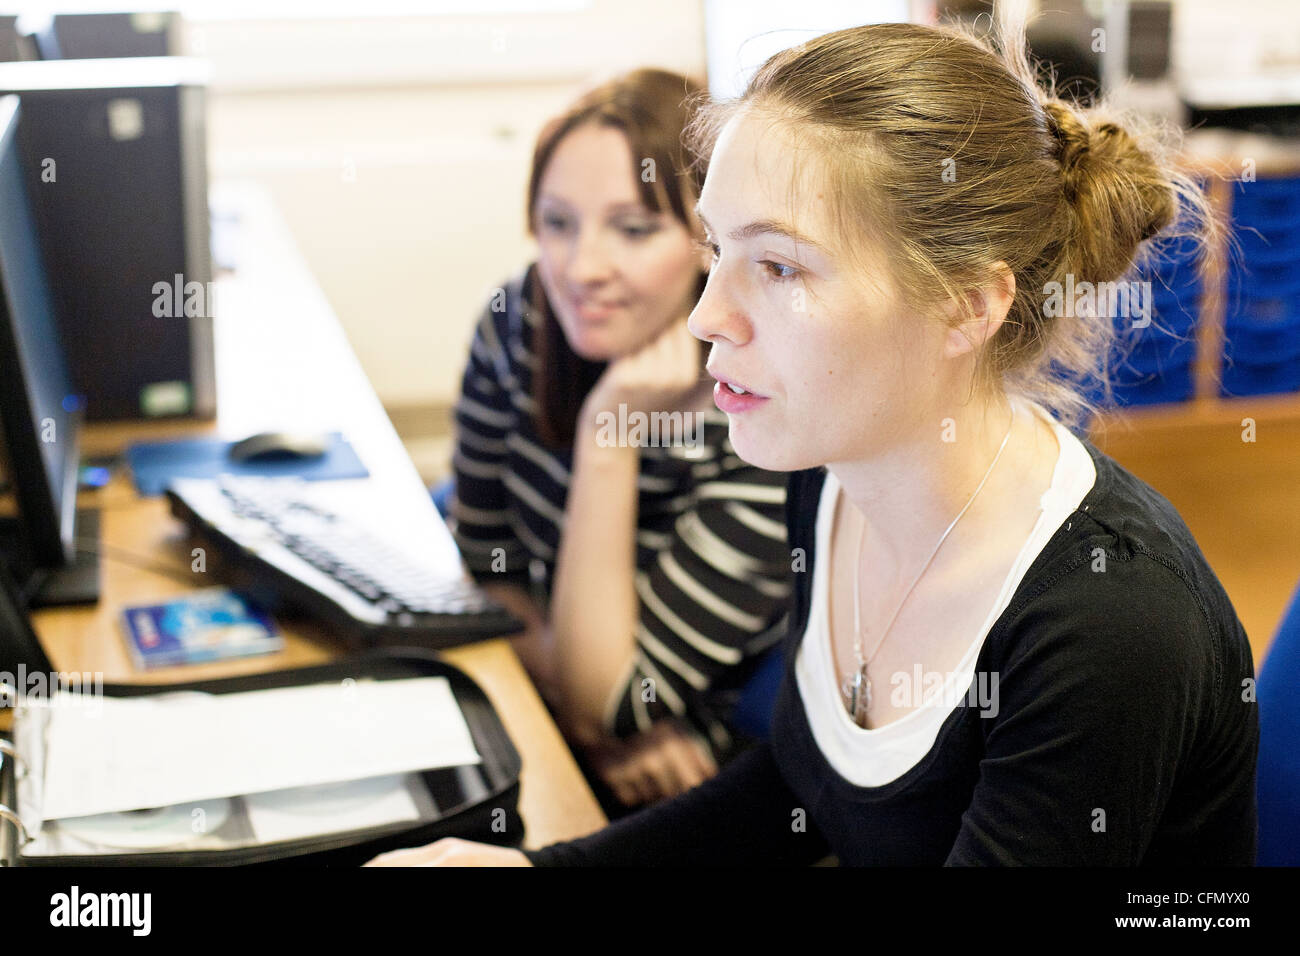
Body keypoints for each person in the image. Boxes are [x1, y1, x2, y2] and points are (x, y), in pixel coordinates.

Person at [369, 19, 1258, 866]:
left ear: (965, 307)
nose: (708, 316)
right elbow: (801, 788)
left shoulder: (1108, 627)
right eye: (716, 250)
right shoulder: (830, 476)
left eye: (779, 266)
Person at [441, 68, 793, 811]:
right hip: (566, 700)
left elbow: (603, 706)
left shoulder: (766, 409)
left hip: (703, 758)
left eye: (633, 230)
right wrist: (576, 686)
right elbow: (487, 569)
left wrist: (610, 435)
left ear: (711, 239)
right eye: (557, 223)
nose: (581, 269)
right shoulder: (519, 321)